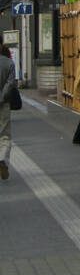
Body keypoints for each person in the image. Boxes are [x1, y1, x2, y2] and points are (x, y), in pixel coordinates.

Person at [0, 42, 16, 179]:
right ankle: (3, 159)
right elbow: (11, 83)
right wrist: (2, 96)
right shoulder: (9, 63)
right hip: (4, 104)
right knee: (4, 134)